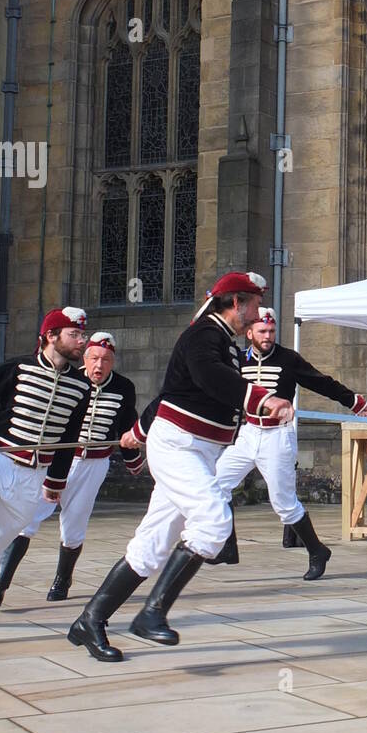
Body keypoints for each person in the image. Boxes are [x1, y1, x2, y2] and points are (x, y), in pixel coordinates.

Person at [67, 273, 295, 663]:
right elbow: (211, 379)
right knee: (213, 521)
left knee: (151, 544)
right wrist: (262, 398)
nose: (259, 314)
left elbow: (178, 391)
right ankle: (151, 613)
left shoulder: (220, 341)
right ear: (237, 303)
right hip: (179, 445)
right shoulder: (204, 335)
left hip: (198, 449)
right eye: (255, 304)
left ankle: (91, 619)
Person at [0, 332, 145, 606]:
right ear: (86, 358)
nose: (98, 366)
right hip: (57, 461)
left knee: (74, 525)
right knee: (27, 517)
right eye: (94, 359)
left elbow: (126, 423)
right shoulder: (71, 380)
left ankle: (62, 580)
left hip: (93, 465)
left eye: (105, 360)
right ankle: (0, 583)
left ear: (112, 362)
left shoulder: (124, 387)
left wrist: (133, 460)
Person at [0, 308, 91, 630]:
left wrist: (55, 481)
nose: (82, 341)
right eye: (75, 334)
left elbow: (69, 436)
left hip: (33, 477)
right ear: (51, 336)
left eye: (83, 335)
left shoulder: (81, 387)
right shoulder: (17, 368)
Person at [214, 307, 367, 581]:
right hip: (247, 433)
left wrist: (354, 402)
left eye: (271, 332)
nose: (267, 337)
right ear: (249, 332)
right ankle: (228, 545)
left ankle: (317, 550)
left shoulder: (288, 359)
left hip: (277, 437)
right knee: (215, 486)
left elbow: (321, 382)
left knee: (284, 504)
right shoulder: (237, 360)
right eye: (262, 332)